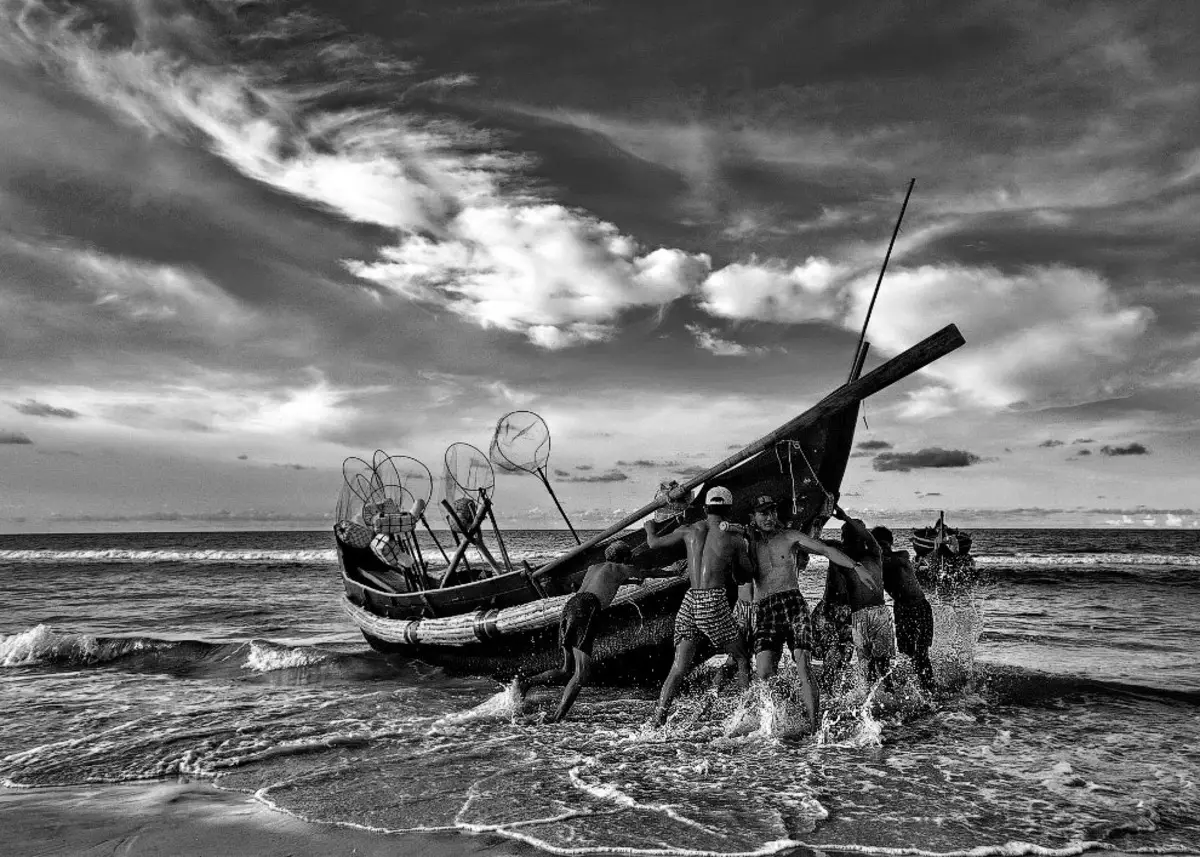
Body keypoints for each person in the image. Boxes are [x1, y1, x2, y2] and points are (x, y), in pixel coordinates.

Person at [518, 540, 676, 722]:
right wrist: (673, 572)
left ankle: (526, 682)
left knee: (566, 669)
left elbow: (607, 581)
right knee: (582, 674)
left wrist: (632, 579)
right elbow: (649, 573)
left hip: (570, 606)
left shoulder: (594, 567)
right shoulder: (621, 568)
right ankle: (556, 718)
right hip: (587, 608)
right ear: (624, 558)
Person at [644, 485, 752, 726]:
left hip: (690, 599)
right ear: (729, 509)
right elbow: (744, 575)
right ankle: (746, 715)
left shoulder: (689, 529)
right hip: (712, 600)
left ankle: (658, 717)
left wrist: (650, 527)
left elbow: (653, 543)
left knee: (679, 665)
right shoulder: (734, 538)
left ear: (704, 508)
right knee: (742, 657)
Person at [744, 494, 832, 730]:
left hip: (792, 601)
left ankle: (814, 727)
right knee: (763, 672)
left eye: (772, 511)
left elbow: (823, 548)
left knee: (803, 663)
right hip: (764, 607)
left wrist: (856, 566)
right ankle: (788, 706)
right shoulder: (748, 541)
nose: (770, 517)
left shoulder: (789, 536)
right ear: (753, 517)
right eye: (763, 513)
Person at [831, 507, 897, 685]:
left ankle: (886, 692)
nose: (851, 538)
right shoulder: (844, 557)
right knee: (865, 663)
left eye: (853, 534)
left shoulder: (874, 553)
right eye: (848, 534)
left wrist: (847, 519)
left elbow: (868, 537)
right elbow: (821, 545)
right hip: (859, 615)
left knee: (882, 663)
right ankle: (869, 696)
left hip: (877, 613)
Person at [872, 525, 935, 689]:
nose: (882, 548)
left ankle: (928, 687)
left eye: (884, 545)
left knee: (921, 652)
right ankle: (917, 685)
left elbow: (892, 562)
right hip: (902, 610)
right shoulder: (877, 565)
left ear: (891, 543)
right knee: (908, 651)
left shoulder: (901, 556)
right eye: (878, 545)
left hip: (921, 607)